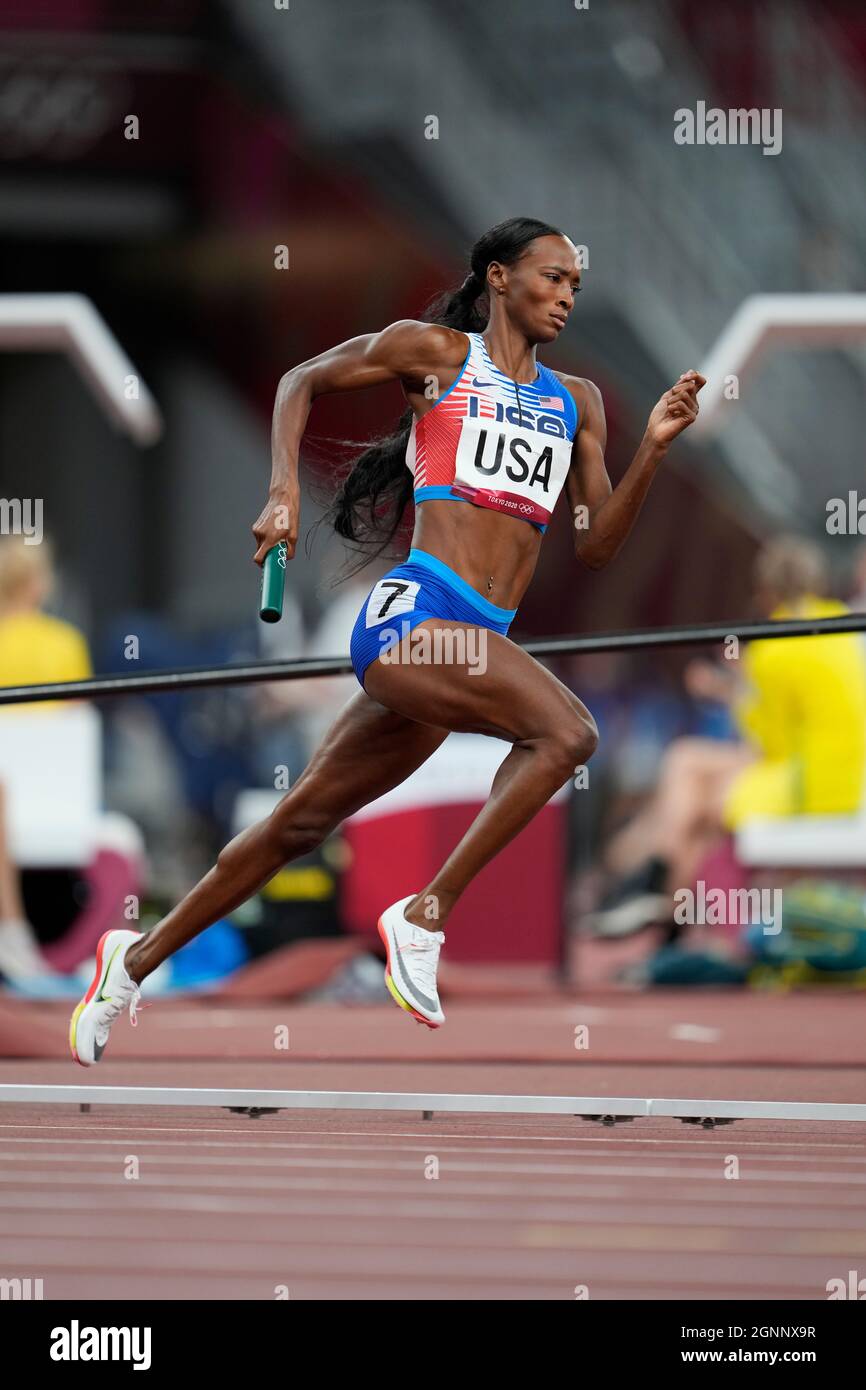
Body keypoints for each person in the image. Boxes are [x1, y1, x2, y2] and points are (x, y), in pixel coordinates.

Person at [69, 215, 703, 1062]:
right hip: (412, 619)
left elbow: (594, 543)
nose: (565, 296)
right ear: (499, 278)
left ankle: (129, 962)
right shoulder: (435, 356)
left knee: (298, 827)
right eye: (551, 277)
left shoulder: (576, 402)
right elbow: (301, 380)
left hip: (465, 648)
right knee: (569, 733)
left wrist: (653, 451)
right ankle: (425, 914)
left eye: (576, 286)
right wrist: (283, 493)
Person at [591, 534, 866, 936]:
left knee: (698, 798)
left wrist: (726, 688)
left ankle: (658, 890)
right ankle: (660, 897)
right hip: (837, 771)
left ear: (766, 591)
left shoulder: (776, 644)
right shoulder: (835, 620)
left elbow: (764, 741)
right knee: (687, 765)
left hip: (811, 782)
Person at [0, 535, 92, 978]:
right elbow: (77, 729)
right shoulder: (66, 643)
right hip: (59, 806)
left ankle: (15, 933)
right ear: (37, 584)